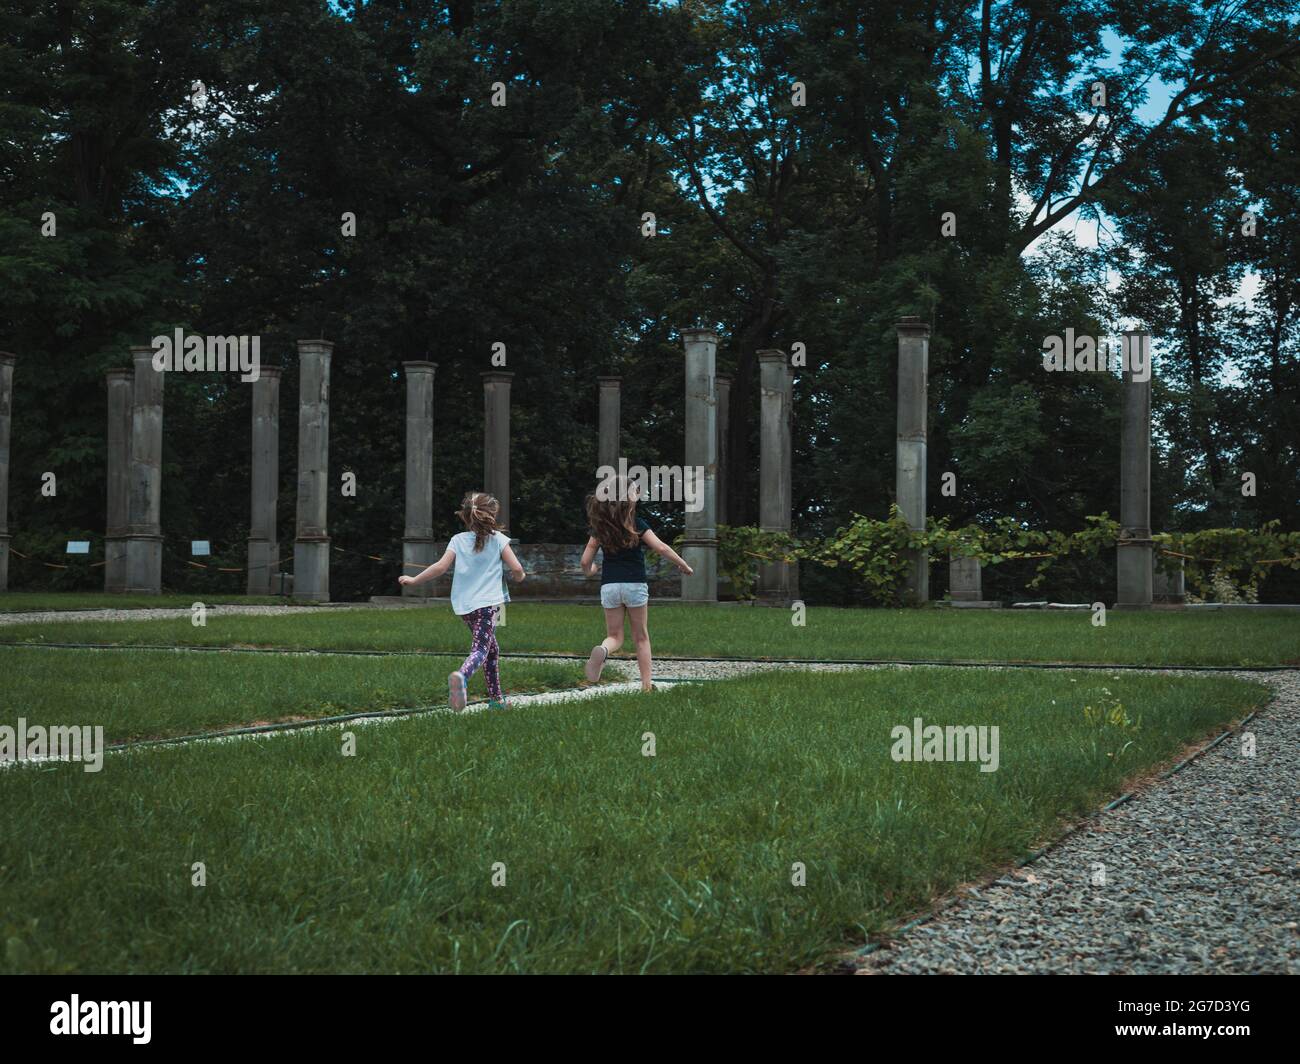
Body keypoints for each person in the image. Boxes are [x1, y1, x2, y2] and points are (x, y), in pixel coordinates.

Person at [400, 491, 524, 711]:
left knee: (492, 649)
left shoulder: (457, 540)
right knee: (480, 649)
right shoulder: (499, 540)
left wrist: (414, 580)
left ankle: (496, 701)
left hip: (464, 607)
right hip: (490, 605)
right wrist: (519, 576)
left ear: (467, 517)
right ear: (491, 515)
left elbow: (440, 567)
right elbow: (516, 568)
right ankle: (462, 676)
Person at [581, 478, 692, 691]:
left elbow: (586, 561)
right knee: (641, 637)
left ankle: (603, 650)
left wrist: (591, 571)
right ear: (627, 500)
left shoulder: (600, 528)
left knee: (615, 636)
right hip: (635, 585)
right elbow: (661, 548)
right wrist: (683, 564)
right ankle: (646, 686)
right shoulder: (637, 525)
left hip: (610, 586)